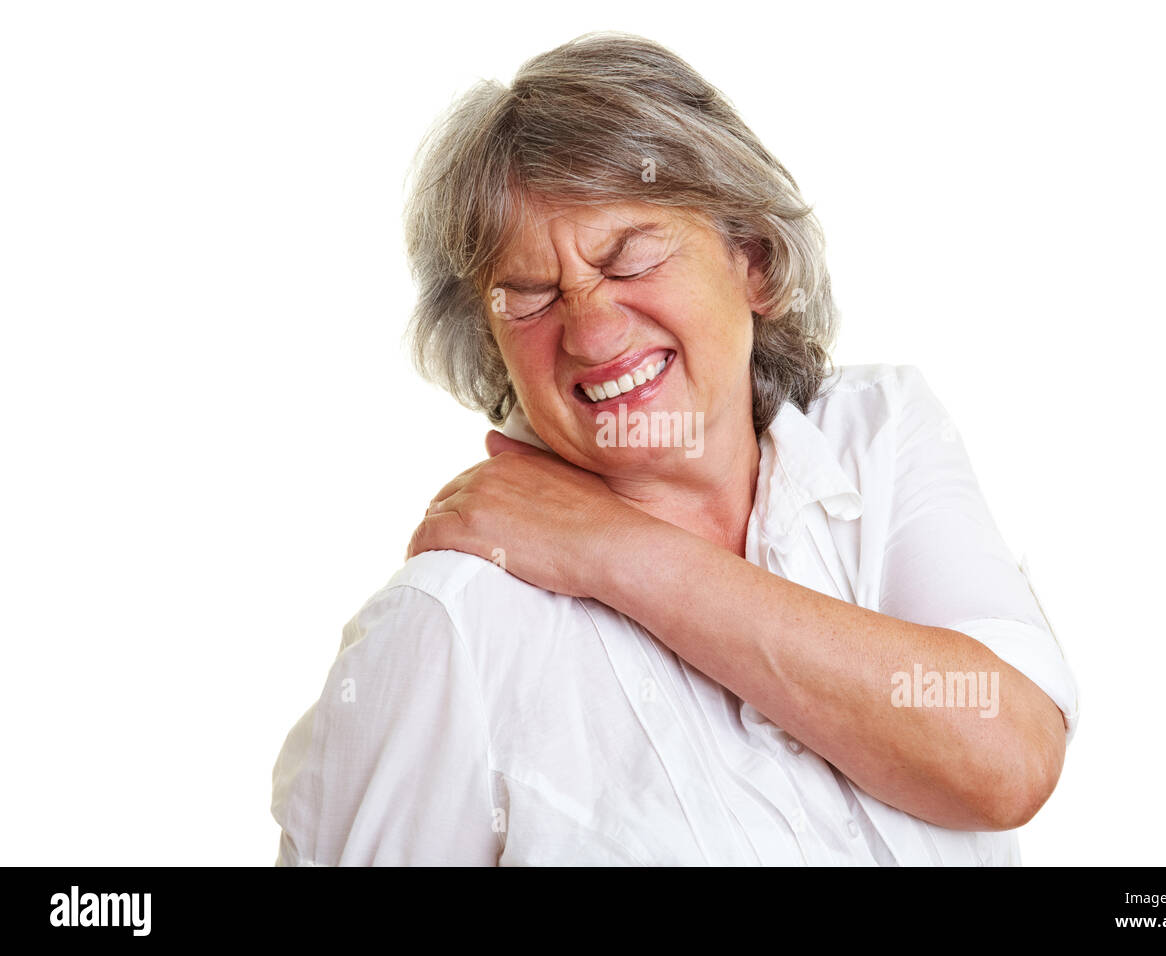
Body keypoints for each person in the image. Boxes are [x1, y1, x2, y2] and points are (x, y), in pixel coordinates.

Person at [270, 31, 1079, 866]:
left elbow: (1007, 757)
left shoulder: (877, 433)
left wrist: (617, 554)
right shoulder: (449, 623)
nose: (589, 330)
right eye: (532, 296)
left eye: (630, 259)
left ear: (754, 261)